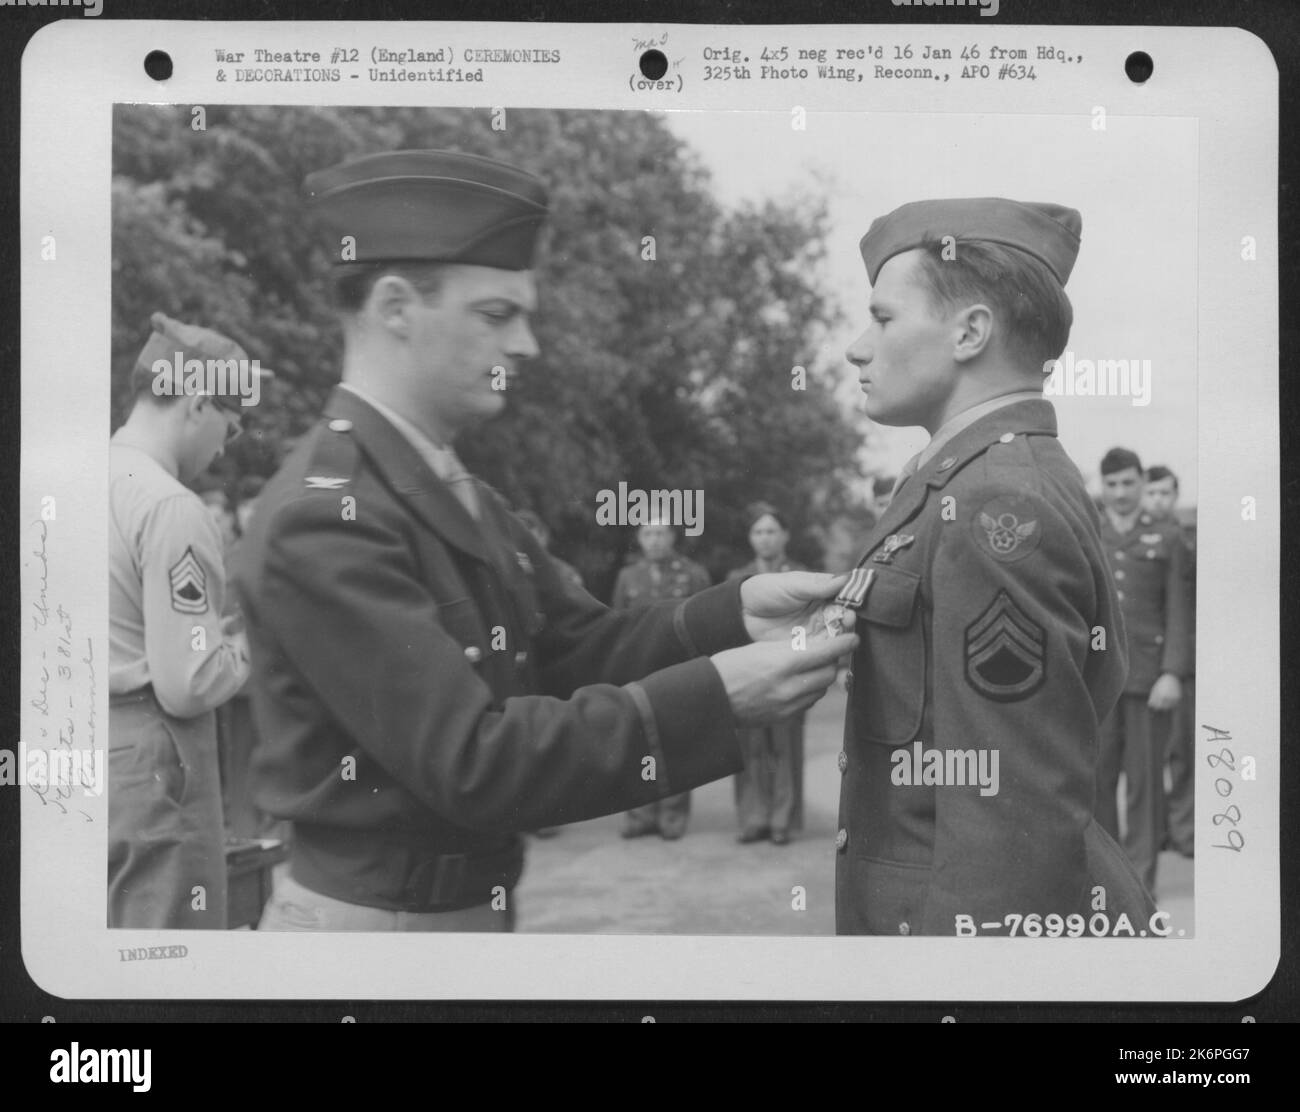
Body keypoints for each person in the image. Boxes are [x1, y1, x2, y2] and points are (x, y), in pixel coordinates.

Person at [236, 149, 857, 932]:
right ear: (396, 307)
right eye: (498, 314)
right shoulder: (326, 516)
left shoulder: (453, 491)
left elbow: (576, 650)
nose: (527, 344)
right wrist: (719, 692)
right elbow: (476, 763)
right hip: (377, 934)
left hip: (446, 921)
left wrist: (734, 618)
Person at [835, 197, 1155, 936]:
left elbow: (1013, 841)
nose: (857, 346)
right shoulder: (970, 481)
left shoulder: (995, 504)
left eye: (882, 319)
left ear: (971, 332)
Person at [108, 313, 255, 928]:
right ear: (196, 403)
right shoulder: (170, 506)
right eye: (232, 421)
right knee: (169, 969)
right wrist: (255, 647)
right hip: (156, 771)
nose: (228, 442)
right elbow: (187, 682)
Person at [1096, 450, 1193, 892]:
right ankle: (1106, 882)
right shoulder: (1089, 531)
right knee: (1097, 782)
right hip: (1097, 682)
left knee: (1145, 787)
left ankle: (1139, 886)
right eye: (1111, 484)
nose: (1120, 493)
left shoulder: (1168, 537)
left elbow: (1179, 610)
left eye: (1128, 483)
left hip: (1150, 681)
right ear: (1103, 486)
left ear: (1140, 482)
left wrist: (1173, 672)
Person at [611, 521, 712, 840]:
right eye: (647, 534)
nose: (654, 540)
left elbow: (705, 619)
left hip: (678, 667)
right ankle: (640, 814)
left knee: (675, 742)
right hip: (638, 669)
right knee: (637, 740)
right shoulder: (628, 577)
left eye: (660, 533)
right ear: (639, 539)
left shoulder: (693, 574)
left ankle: (672, 815)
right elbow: (617, 625)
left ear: (672, 537)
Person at [727, 505, 807, 844]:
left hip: (789, 668)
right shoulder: (737, 578)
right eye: (758, 532)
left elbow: (810, 626)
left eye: (772, 531)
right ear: (750, 538)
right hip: (749, 669)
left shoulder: (801, 576)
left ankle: (781, 820)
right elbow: (727, 629)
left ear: (785, 535)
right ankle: (752, 817)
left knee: (785, 746)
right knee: (750, 746)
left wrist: (800, 660)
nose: (765, 538)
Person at [1141, 465, 1196, 858]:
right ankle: (1155, 831)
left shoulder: (1185, 541)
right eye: (1153, 492)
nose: (1159, 500)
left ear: (1176, 496)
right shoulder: (1131, 539)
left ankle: (1181, 832)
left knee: (1181, 749)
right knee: (1145, 756)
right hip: (1142, 662)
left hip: (1181, 663)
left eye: (1166, 493)